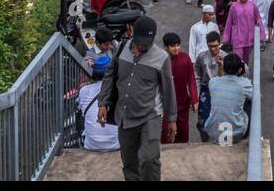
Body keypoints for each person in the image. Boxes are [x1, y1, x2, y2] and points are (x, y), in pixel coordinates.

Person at [96, 16, 177, 181]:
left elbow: (169, 89)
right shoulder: (122, 48)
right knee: (129, 162)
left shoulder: (162, 57)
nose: (143, 47)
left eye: (147, 43)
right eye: (140, 42)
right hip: (125, 116)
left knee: (149, 158)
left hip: (150, 115)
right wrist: (103, 103)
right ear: (132, 34)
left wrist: (172, 119)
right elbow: (110, 75)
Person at [204, 53, 254, 145]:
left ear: (223, 68)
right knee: (250, 101)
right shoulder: (244, 84)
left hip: (214, 133)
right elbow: (256, 97)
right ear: (240, 69)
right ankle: (248, 136)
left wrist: (220, 66)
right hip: (235, 134)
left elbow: (220, 80)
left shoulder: (213, 82)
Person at [77, 54, 120, 151]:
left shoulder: (84, 90)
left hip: (91, 145)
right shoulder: (118, 90)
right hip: (116, 144)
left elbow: (80, 109)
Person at [161, 32, 198, 145]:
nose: (176, 48)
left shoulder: (185, 59)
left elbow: (191, 79)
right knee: (166, 136)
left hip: (182, 105)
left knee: (183, 134)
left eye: (178, 45)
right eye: (173, 46)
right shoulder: (160, 61)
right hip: (165, 106)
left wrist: (194, 99)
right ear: (166, 47)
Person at [223, 0, 266, 64]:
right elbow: (229, 22)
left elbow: (259, 20)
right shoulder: (234, 6)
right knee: (237, 60)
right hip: (237, 38)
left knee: (246, 62)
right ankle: (236, 75)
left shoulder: (253, 5)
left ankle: (244, 76)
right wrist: (226, 38)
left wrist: (262, 35)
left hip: (249, 38)